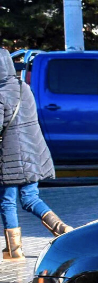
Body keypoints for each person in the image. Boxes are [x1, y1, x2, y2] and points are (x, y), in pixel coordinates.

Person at [0, 49, 72, 260]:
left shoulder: (1, 95)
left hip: (11, 156)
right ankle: (60, 227)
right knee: (31, 198)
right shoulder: (24, 88)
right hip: (34, 152)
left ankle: (15, 250)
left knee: (8, 201)